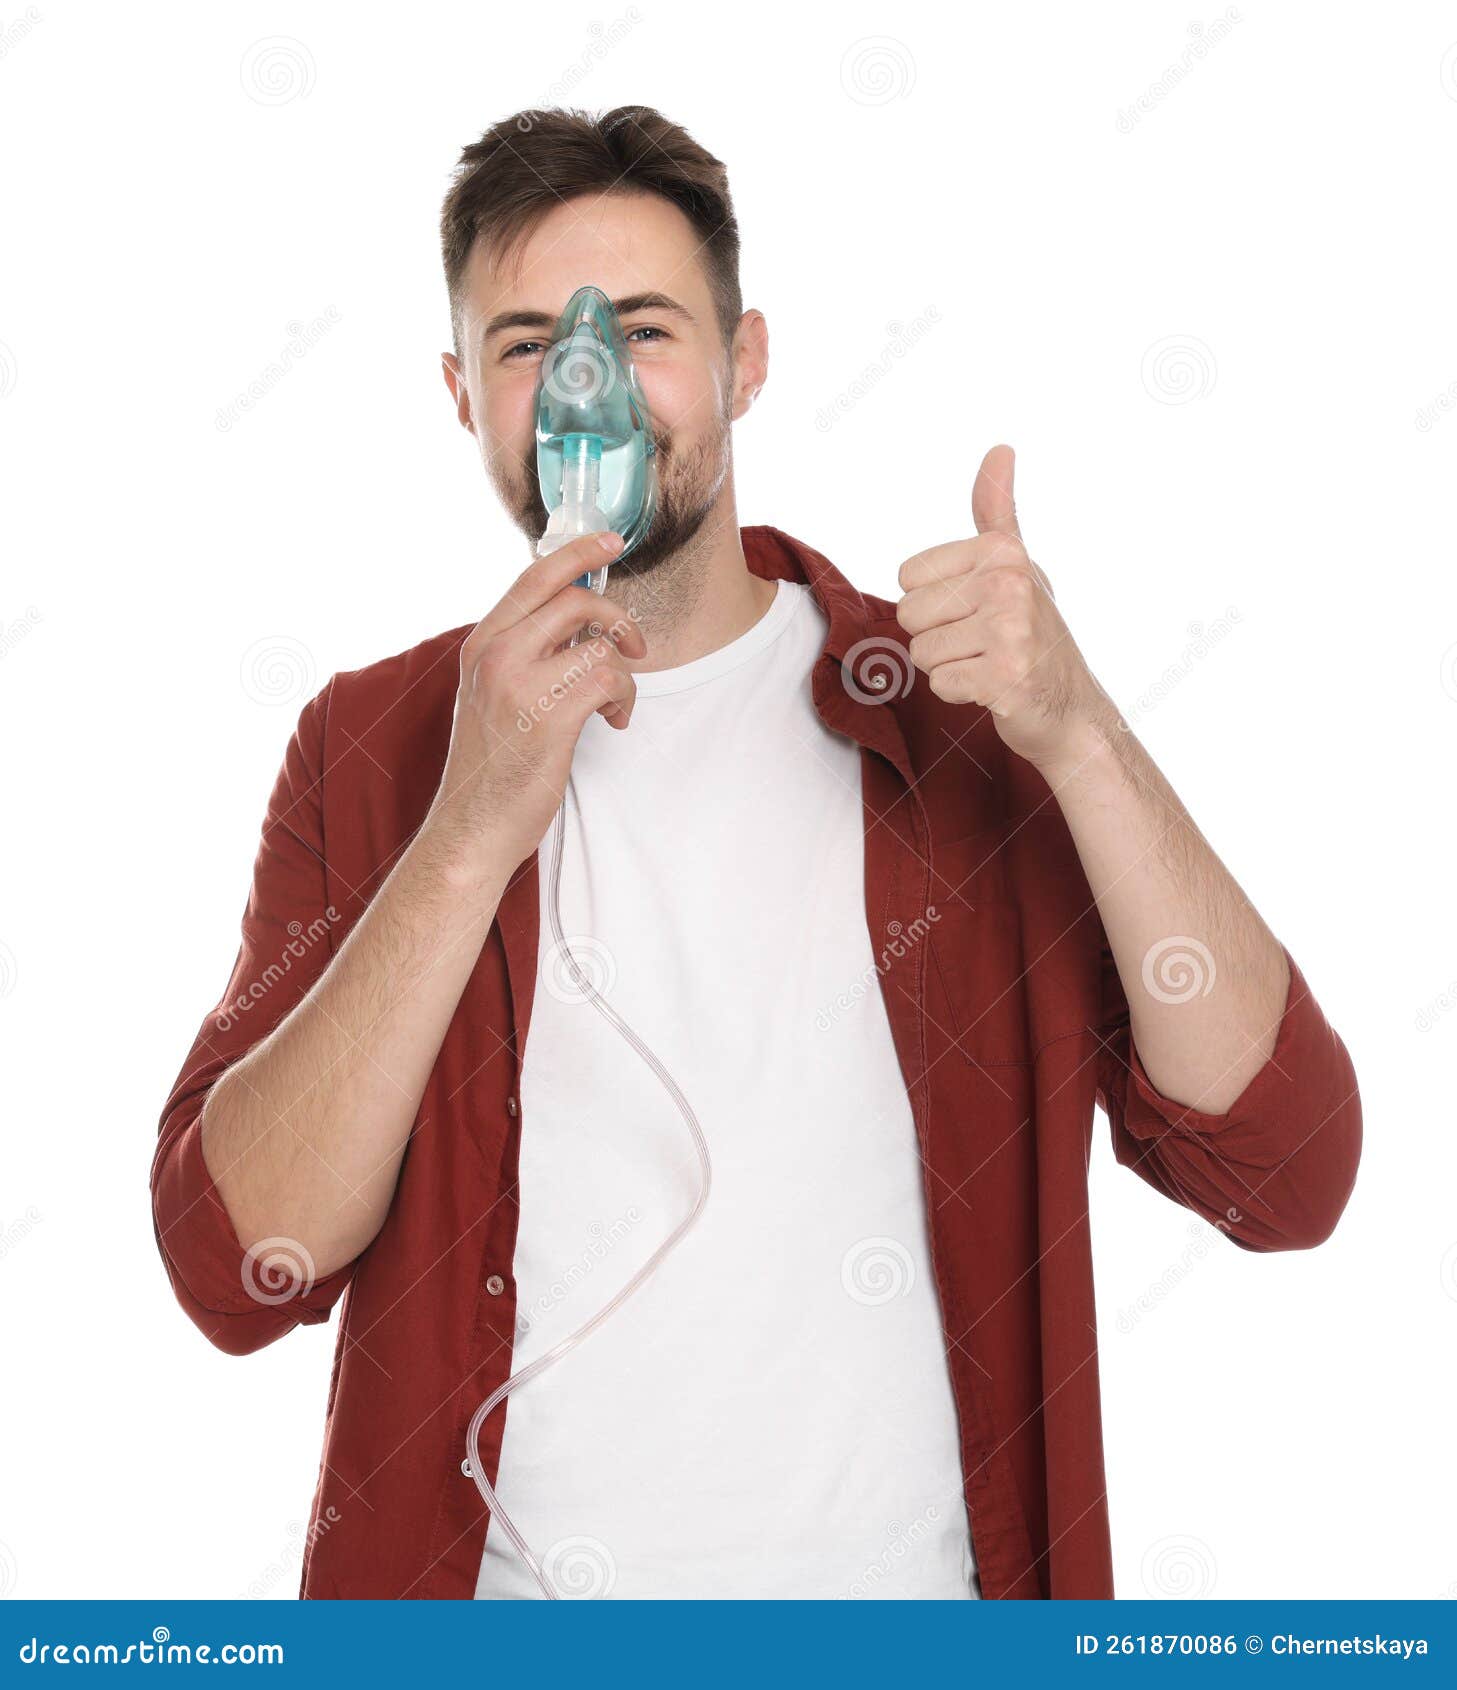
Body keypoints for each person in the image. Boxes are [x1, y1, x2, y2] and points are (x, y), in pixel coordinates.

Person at [151, 104, 1361, 1601]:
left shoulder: (955, 714)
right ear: (462, 395)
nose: (585, 377)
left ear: (747, 360)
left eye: (643, 328)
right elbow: (239, 1265)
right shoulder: (374, 743)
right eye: (526, 343)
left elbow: (1288, 1170)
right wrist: (465, 833)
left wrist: (1080, 732)